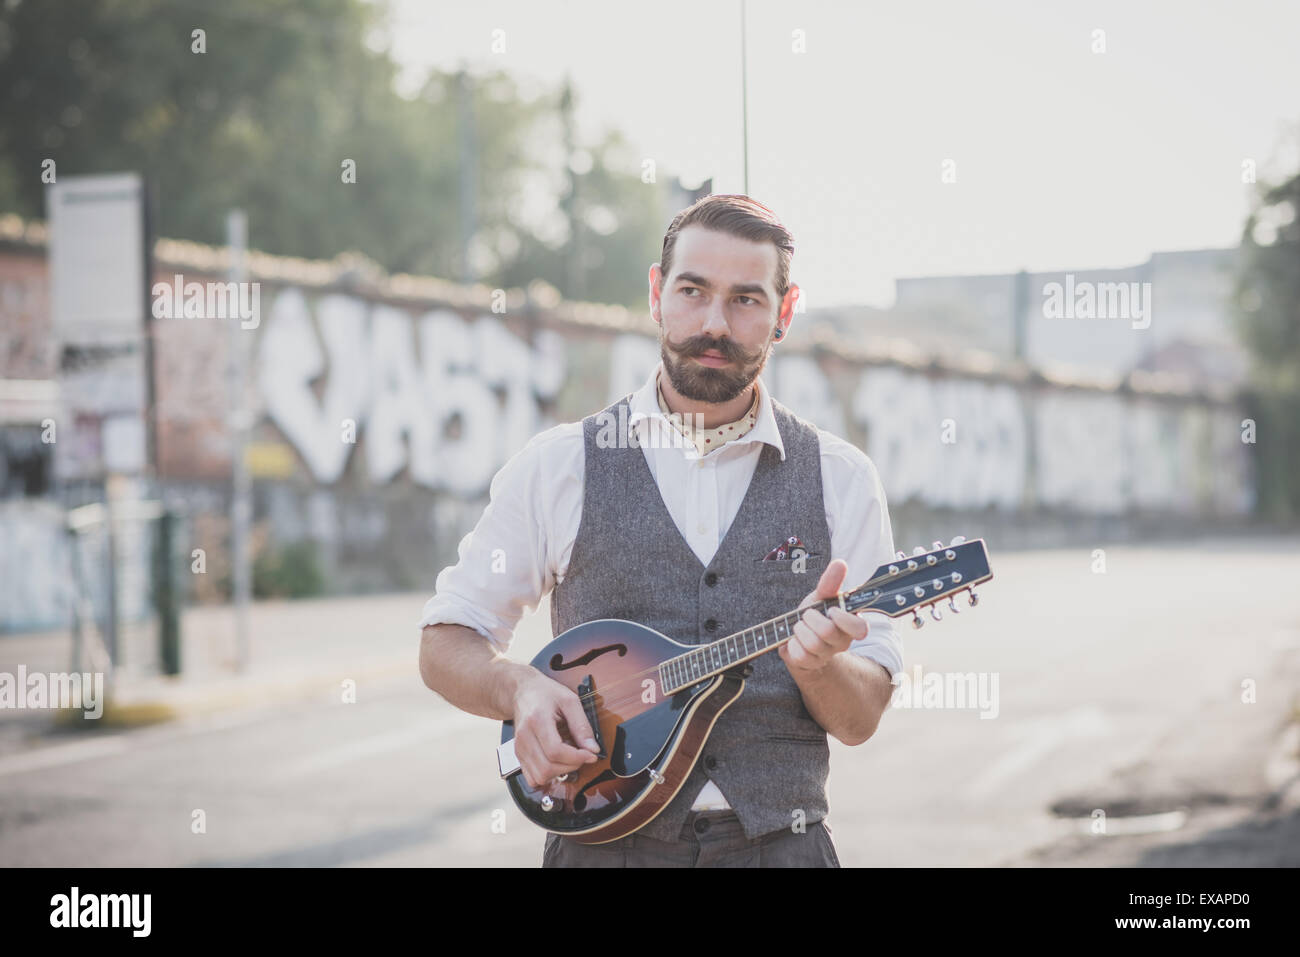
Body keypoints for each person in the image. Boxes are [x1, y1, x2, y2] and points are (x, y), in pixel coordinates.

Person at [418, 194, 902, 867]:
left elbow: (860, 719)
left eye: (746, 300)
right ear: (656, 292)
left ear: (784, 313)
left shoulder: (840, 479)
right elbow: (446, 641)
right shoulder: (560, 465)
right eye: (693, 290)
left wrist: (819, 667)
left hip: (781, 849)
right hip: (601, 848)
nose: (713, 323)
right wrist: (520, 687)